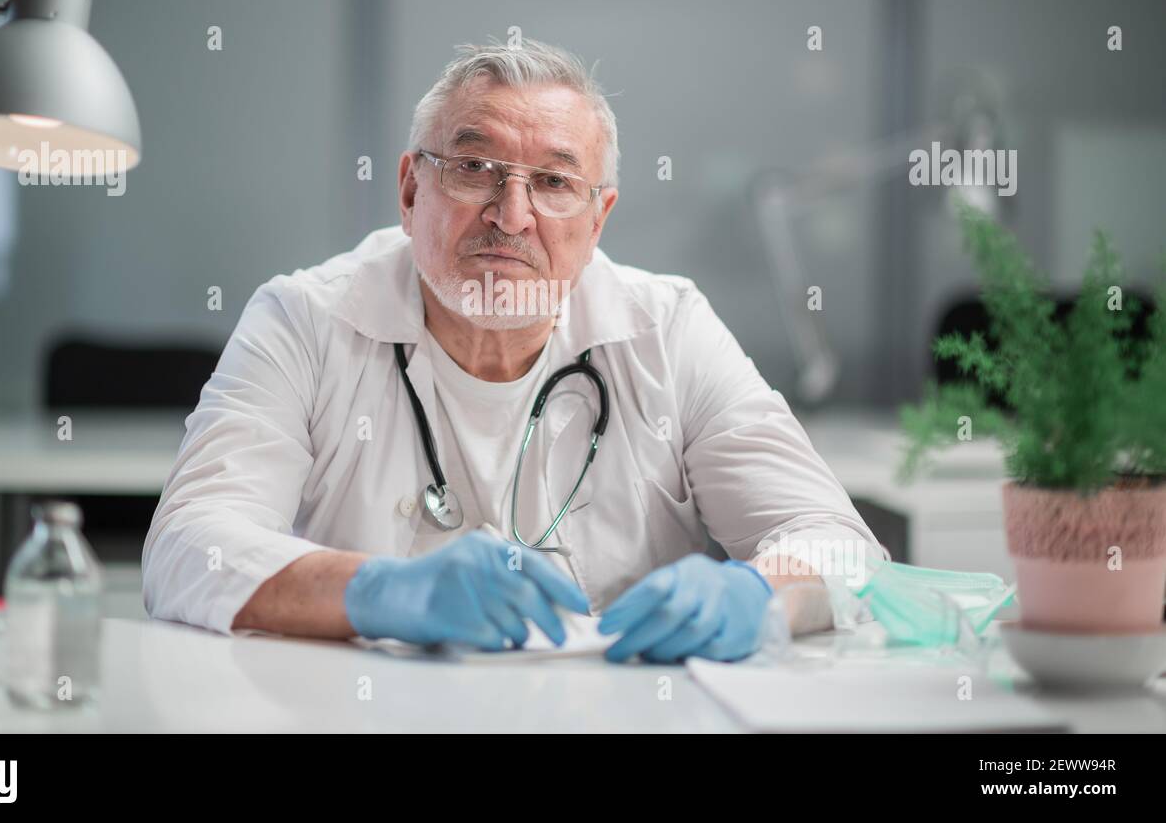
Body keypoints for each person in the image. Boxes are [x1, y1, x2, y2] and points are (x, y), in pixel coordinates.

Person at [142, 39, 880, 663]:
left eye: (555, 182)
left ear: (599, 220)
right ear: (408, 189)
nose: (511, 215)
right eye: (474, 169)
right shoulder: (304, 320)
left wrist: (760, 593)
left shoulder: (670, 332)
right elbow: (187, 545)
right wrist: (378, 591)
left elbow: (843, 547)